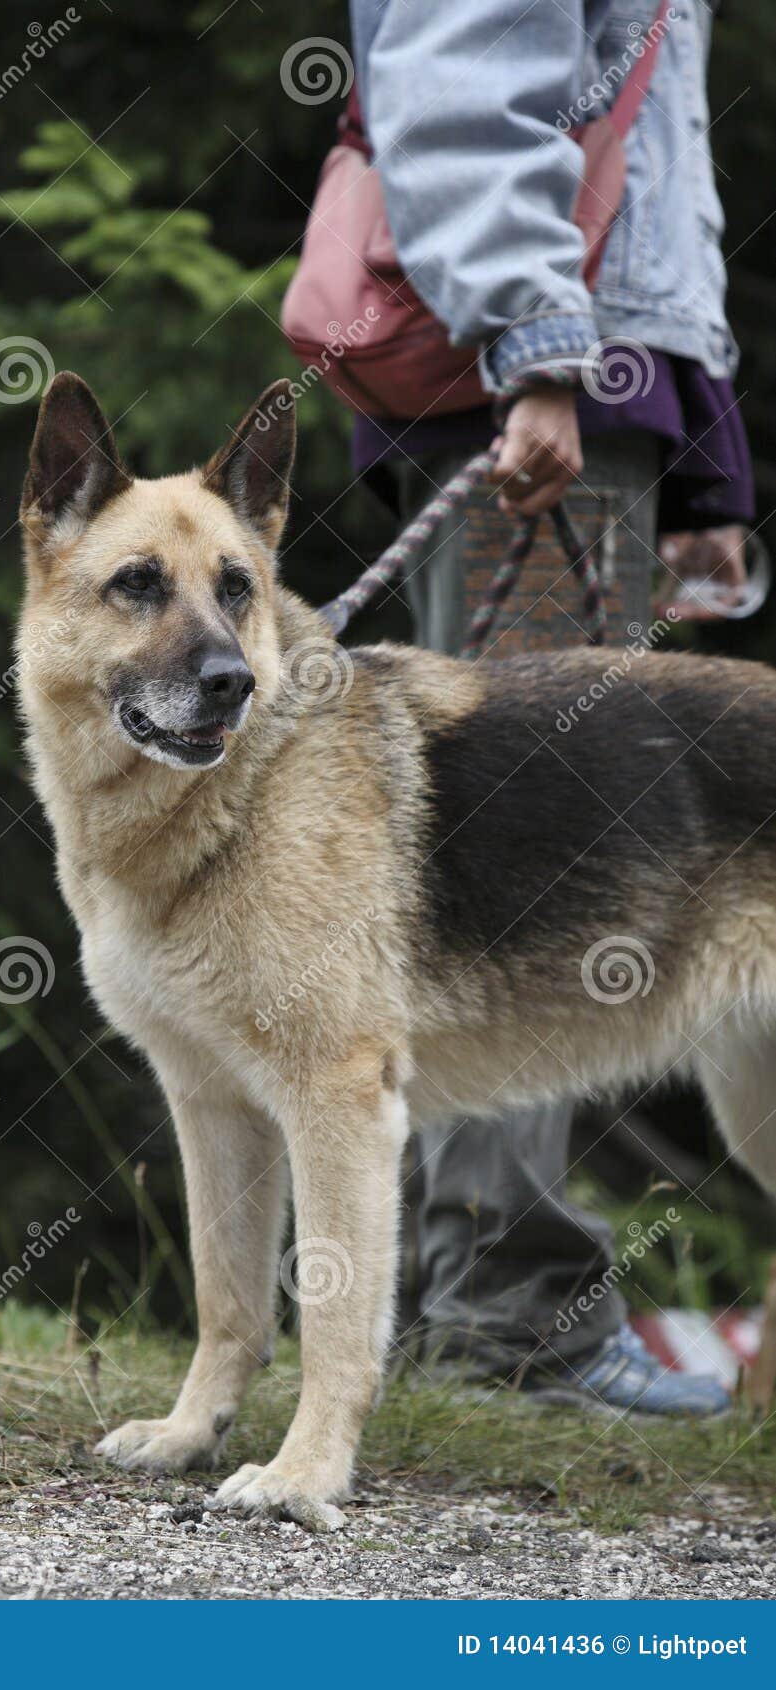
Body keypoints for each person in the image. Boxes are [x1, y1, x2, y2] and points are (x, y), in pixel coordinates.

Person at [349, 0, 755, 1413]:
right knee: (535, 894)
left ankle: (435, 1313)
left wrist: (701, 470)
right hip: (535, 416)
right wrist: (534, 349)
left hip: (580, 411)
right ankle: (502, 1317)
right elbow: (460, 86)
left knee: (492, 878)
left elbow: (640, 182)